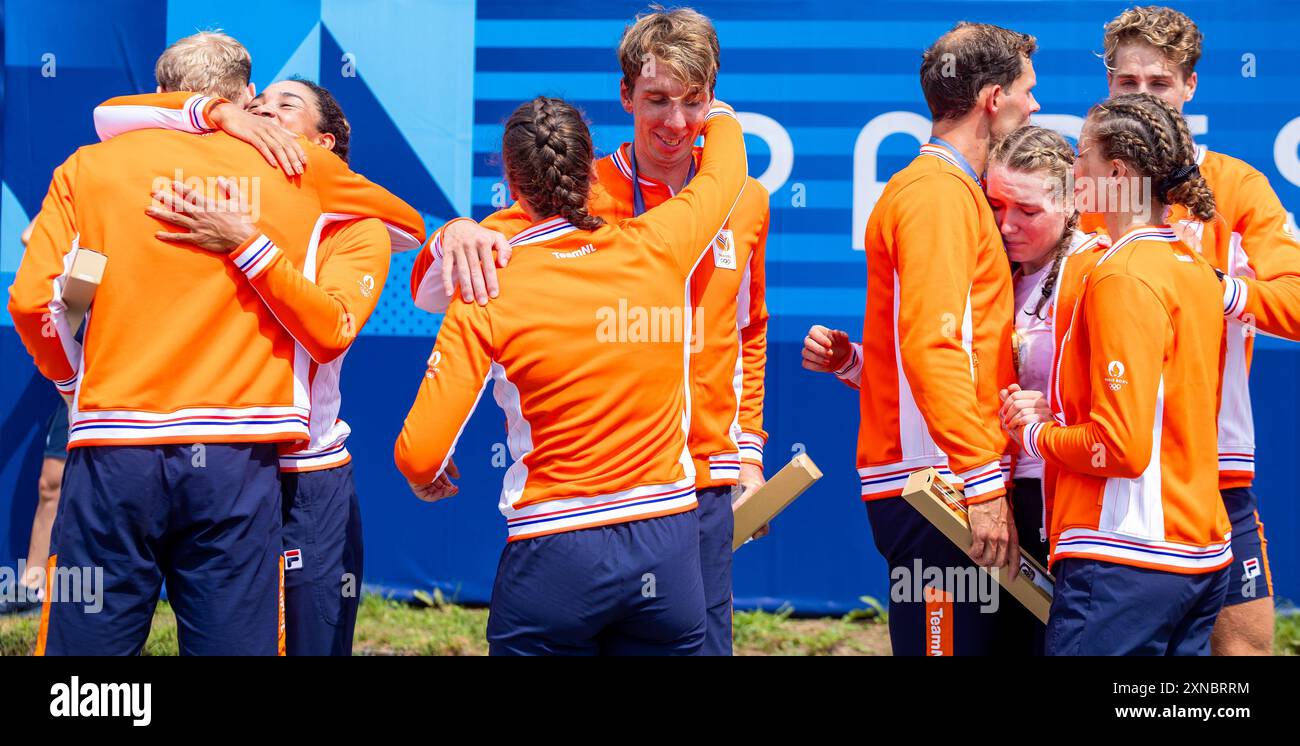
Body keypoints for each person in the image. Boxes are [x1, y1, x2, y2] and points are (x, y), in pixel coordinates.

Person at [8, 31, 424, 655]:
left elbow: (31, 304)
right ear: (246, 96)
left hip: (112, 447)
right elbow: (407, 223)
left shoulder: (88, 166)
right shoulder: (297, 167)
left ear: (158, 93)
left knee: (83, 662)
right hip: (236, 453)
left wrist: (74, 386)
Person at [408, 6, 770, 655]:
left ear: (712, 101)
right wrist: (454, 232)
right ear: (626, 94)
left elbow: (748, 330)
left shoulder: (746, 201)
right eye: (658, 99)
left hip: (703, 476)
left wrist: (748, 450)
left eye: (695, 102)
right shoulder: (580, 192)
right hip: (601, 486)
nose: (677, 122)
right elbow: (483, 262)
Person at [87, 77, 394, 655]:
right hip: (219, 463)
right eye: (256, 106)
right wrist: (218, 111)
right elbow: (109, 112)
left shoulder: (355, 227)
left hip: (304, 475)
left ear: (324, 143)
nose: (263, 114)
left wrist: (246, 243)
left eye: (286, 106)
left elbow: (331, 329)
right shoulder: (220, 202)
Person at [806, 125, 1107, 654]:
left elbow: (1131, 397)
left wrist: (1054, 413)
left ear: (1073, 202)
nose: (1008, 224)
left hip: (1062, 506)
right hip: (991, 490)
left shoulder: (1097, 270)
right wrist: (854, 364)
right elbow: (953, 376)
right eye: (996, 205)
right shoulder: (994, 269)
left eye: (1028, 211)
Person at [1085, 4, 1300, 656]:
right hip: (1102, 475)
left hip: (1213, 472)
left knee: (1242, 658)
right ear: (1108, 86)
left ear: (1190, 87)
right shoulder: (1087, 185)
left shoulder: (1237, 185)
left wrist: (1223, 291)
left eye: (1159, 83)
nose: (1143, 96)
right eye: (1128, 83)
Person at [1005, 93, 1231, 655]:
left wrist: (1034, 433)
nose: (1072, 168)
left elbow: (1120, 448)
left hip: (1124, 558)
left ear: (1117, 173)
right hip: (1197, 553)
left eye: (1081, 155)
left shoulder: (1120, 275)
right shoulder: (1193, 266)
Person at [854, 22, 1038, 655]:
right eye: (1026, 91)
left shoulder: (949, 190)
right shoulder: (936, 195)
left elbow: (933, 343)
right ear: (993, 99)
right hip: (938, 487)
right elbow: (933, 348)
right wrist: (983, 484)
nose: (1035, 106)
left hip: (944, 476)